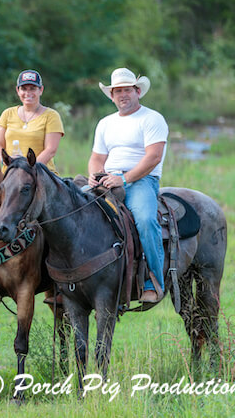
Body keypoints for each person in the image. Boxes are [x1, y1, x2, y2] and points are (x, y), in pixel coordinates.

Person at [87, 68, 168, 304]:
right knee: (75, 211)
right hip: (107, 179)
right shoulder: (105, 123)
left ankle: (153, 281)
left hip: (141, 180)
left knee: (144, 219)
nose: (123, 95)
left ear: (138, 91)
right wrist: (94, 175)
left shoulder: (152, 119)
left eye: (127, 90)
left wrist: (123, 179)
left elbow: (153, 157)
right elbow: (96, 156)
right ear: (112, 96)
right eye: (118, 91)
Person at [0, 70, 65, 173]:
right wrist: (7, 161)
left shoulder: (51, 116)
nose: (28, 93)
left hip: (40, 174)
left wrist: (27, 168)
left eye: (33, 89)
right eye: (23, 89)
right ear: (18, 91)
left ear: (41, 90)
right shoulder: (7, 114)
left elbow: (50, 150)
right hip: (10, 174)